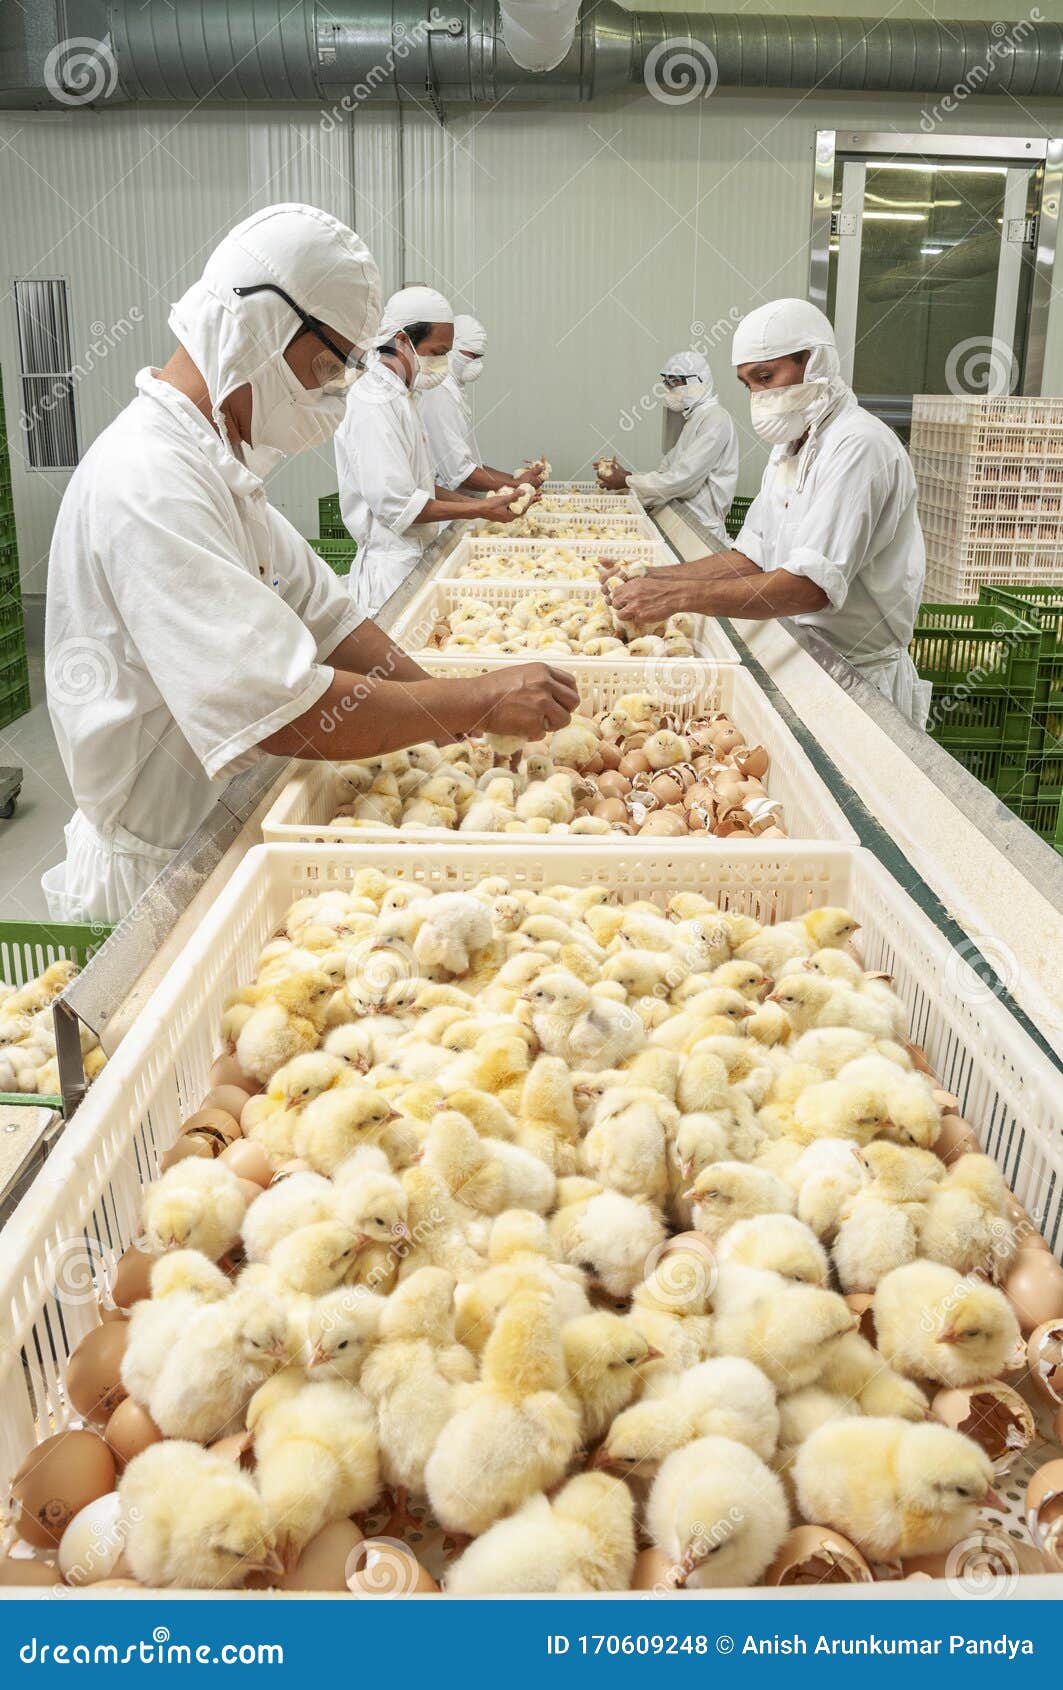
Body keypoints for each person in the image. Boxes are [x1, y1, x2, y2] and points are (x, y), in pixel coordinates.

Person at [43, 206, 577, 923]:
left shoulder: (219, 466)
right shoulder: (149, 480)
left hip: (218, 826)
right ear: (260, 325)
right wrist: (473, 701)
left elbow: (329, 618)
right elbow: (273, 705)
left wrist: (456, 728)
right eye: (330, 366)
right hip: (159, 866)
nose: (336, 392)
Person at [607, 299, 930, 727]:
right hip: (802, 651)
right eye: (748, 384)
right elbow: (750, 558)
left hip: (856, 676)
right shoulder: (790, 448)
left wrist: (677, 598)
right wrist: (651, 577)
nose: (759, 396)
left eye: (766, 377)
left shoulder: (859, 446)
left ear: (814, 363)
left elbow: (809, 587)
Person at [334, 287, 525, 618]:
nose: (441, 363)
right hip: (390, 572)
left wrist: (485, 504)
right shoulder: (374, 404)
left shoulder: (402, 398)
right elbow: (398, 506)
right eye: (436, 351)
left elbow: (417, 485)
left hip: (414, 558)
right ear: (402, 341)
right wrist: (480, 509)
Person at [596, 350, 738, 546]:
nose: (669, 390)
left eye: (675, 383)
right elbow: (669, 472)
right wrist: (628, 476)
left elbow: (683, 480)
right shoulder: (694, 419)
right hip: (681, 520)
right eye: (667, 384)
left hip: (701, 529)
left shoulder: (716, 419)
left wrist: (627, 481)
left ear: (698, 381)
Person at [419, 312, 546, 497]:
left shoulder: (453, 391)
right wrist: (515, 483)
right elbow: (461, 474)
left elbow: (473, 466)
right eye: (471, 356)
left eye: (479, 356)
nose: (477, 363)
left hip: (459, 506)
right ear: (449, 350)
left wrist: (518, 480)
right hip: (443, 513)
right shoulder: (438, 393)